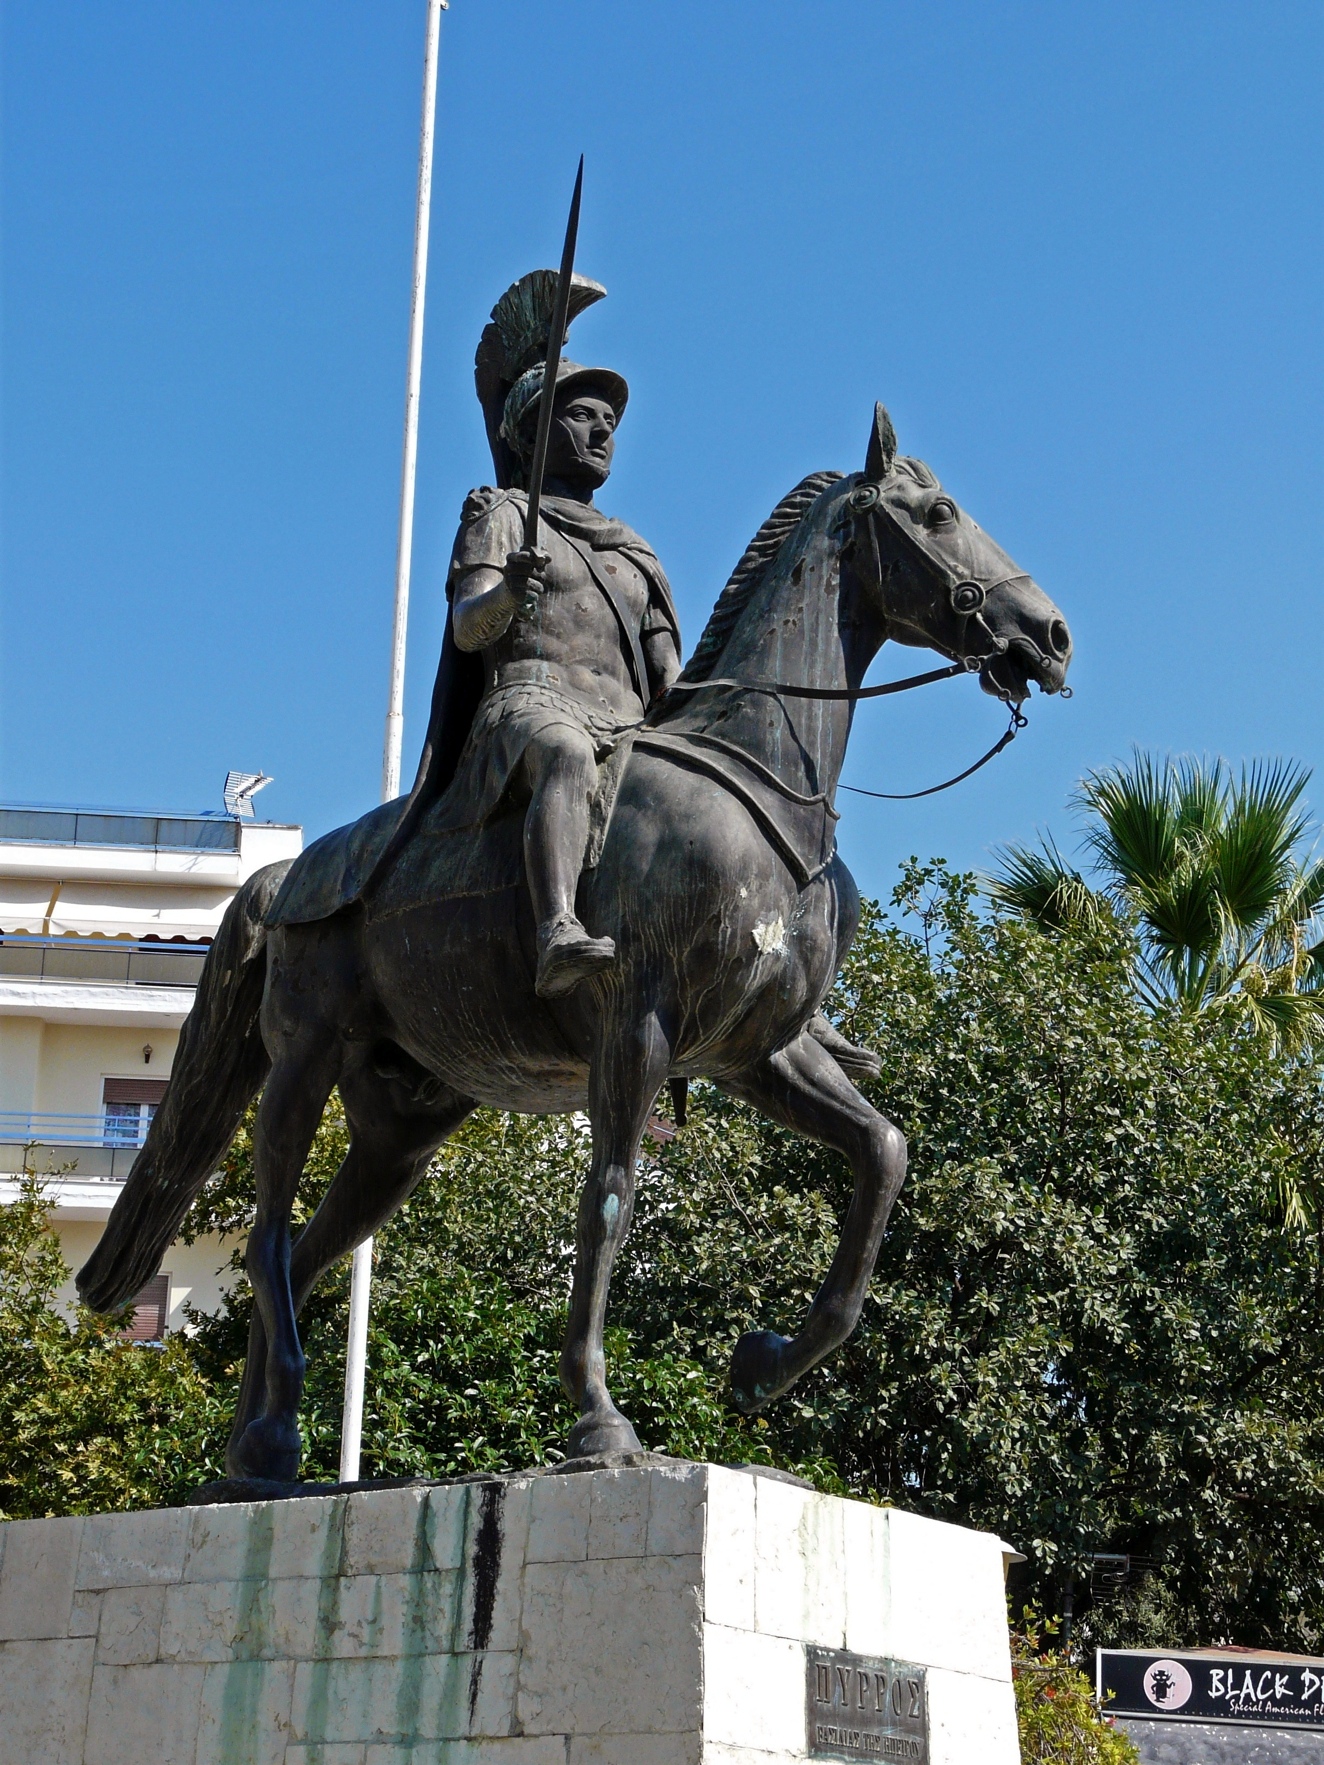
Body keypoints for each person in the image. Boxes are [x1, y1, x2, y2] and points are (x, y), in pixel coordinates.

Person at [433, 350, 681, 999]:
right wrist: (509, 592)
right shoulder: (504, 516)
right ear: (533, 432)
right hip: (529, 706)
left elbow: (668, 675)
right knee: (566, 753)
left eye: (610, 422)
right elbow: (468, 628)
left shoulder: (635, 550)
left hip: (628, 723)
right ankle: (556, 929)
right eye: (581, 416)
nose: (602, 433)